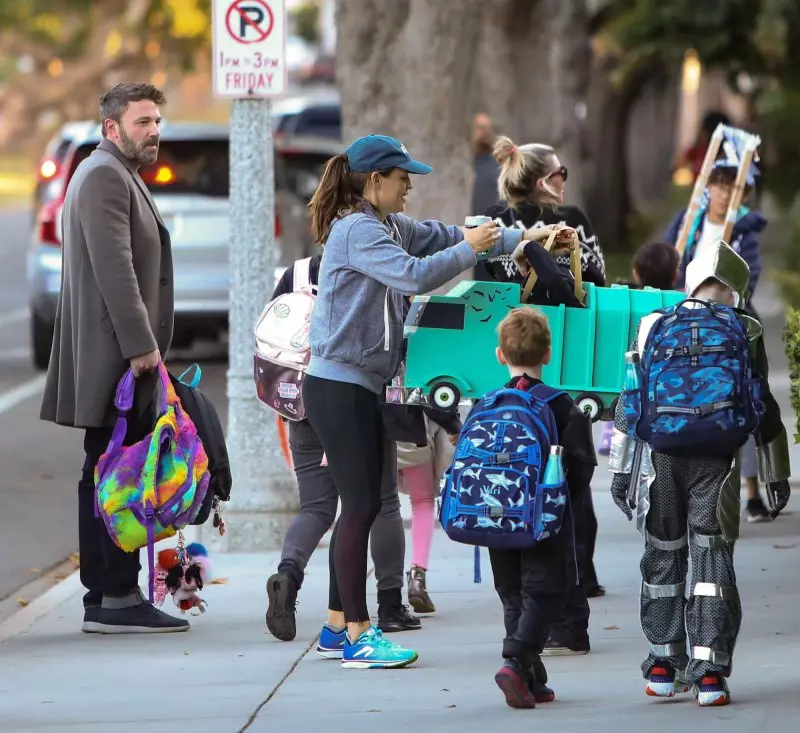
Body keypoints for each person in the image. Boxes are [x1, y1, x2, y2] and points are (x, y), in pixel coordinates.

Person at [303, 134, 537, 669]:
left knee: (362, 502)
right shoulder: (357, 229)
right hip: (338, 386)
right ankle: (362, 634)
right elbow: (413, 274)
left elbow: (444, 237)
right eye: (403, 176)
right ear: (375, 180)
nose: (410, 185)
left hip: (358, 385)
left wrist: (528, 236)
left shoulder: (386, 225)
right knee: (361, 506)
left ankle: (338, 627)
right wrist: (469, 249)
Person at [609, 241, 791, 706]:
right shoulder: (744, 327)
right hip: (719, 460)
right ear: (733, 287)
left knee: (663, 555)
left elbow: (629, 401)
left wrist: (621, 471)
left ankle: (664, 667)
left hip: (661, 458)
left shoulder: (652, 324)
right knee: (711, 561)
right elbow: (764, 405)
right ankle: (709, 674)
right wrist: (776, 474)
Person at [39, 83, 187, 633]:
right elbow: (115, 267)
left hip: (117, 354)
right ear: (112, 127)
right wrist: (141, 346)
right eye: (143, 121)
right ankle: (115, 595)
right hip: (117, 357)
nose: (153, 131)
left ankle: (107, 594)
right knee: (114, 473)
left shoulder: (112, 173)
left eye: (156, 121)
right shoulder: (103, 175)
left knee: (105, 469)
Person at [265, 255, 421, 645]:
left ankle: (288, 574)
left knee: (317, 507)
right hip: (359, 401)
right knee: (381, 502)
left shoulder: (295, 273)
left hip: (303, 403)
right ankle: (389, 604)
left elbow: (272, 337)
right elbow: (401, 337)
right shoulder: (381, 268)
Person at [487, 308, 596, 707]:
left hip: (496, 516)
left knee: (513, 593)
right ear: (548, 354)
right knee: (546, 590)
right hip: (544, 519)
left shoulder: (490, 402)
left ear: (500, 355)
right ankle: (515, 661)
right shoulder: (562, 405)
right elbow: (581, 469)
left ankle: (531, 678)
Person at [664, 164, 768, 521]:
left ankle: (752, 490)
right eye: (719, 187)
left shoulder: (742, 230)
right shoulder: (689, 221)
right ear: (708, 187)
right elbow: (671, 255)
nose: (724, 194)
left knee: (745, 397)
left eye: (731, 189)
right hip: (686, 316)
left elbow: (750, 272)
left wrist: (729, 299)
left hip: (730, 320)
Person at [477, 136, 606, 295]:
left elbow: (483, 280)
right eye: (562, 172)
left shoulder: (494, 220)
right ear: (542, 183)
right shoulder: (572, 221)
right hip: (561, 317)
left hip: (505, 316)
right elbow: (599, 282)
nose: (564, 178)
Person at [387, 398, 461, 614]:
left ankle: (387, 586)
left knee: (382, 506)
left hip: (377, 425)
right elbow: (432, 393)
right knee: (423, 501)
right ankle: (417, 576)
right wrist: (452, 422)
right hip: (411, 429)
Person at [471, 112, 502, 216]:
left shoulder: (497, 162)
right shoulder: (467, 161)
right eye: (480, 128)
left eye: (486, 128)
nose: (484, 133)